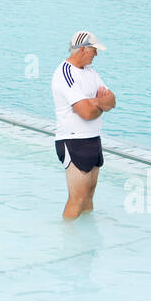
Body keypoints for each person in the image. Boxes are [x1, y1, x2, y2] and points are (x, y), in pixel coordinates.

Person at [50, 30, 116, 220]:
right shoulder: (65, 74)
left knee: (88, 196)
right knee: (77, 198)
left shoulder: (90, 72)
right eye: (94, 50)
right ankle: (69, 243)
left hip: (93, 139)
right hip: (73, 140)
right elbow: (86, 113)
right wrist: (97, 103)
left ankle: (86, 243)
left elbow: (112, 100)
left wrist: (94, 102)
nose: (96, 54)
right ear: (83, 50)